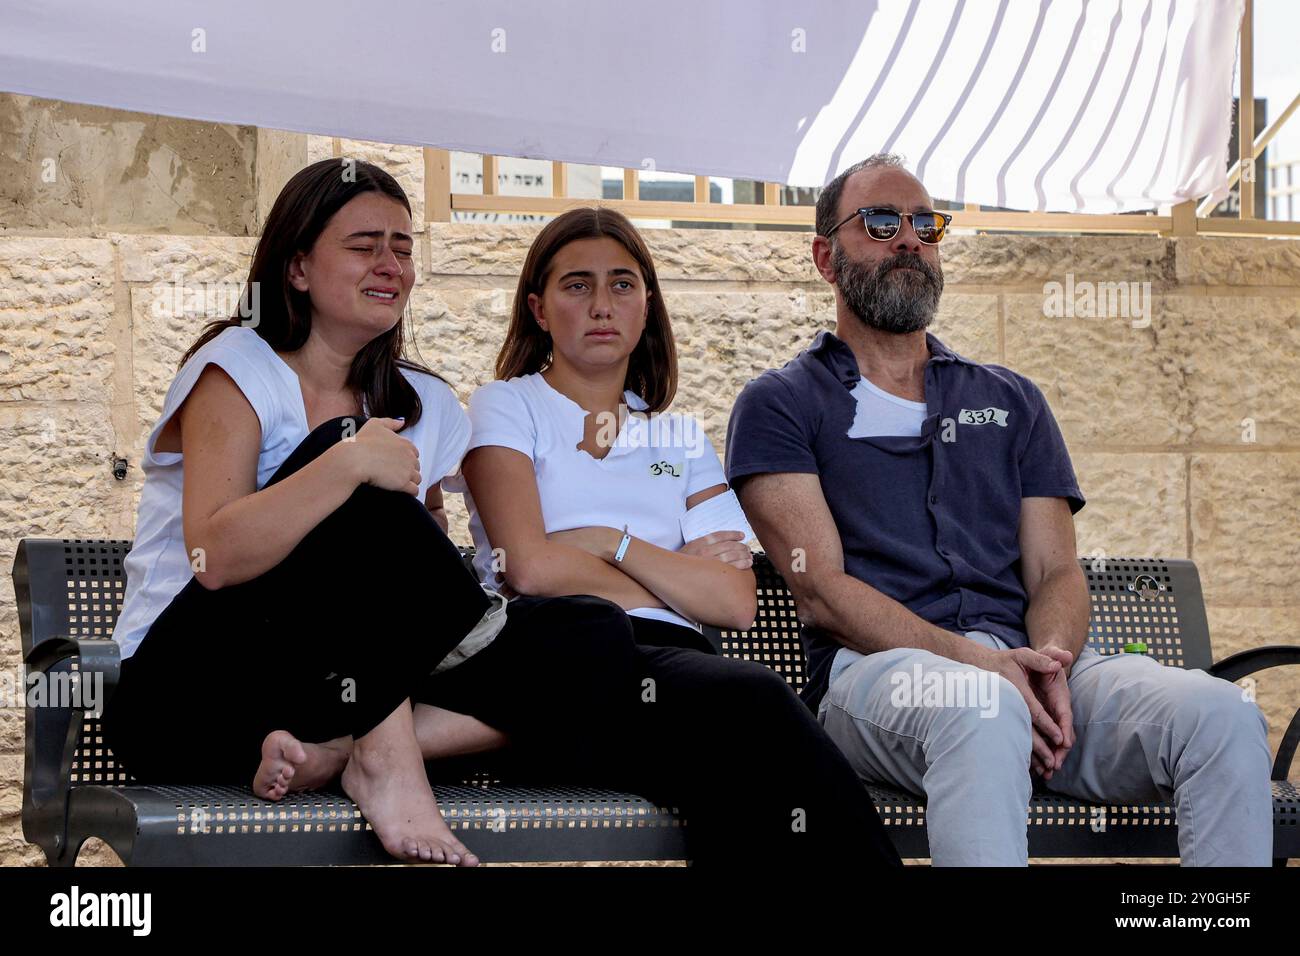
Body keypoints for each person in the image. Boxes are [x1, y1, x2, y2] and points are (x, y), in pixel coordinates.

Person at [725, 153, 1274, 866]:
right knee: (982, 710)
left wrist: (1048, 665)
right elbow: (822, 590)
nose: (910, 241)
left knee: (1223, 715)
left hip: (1036, 672)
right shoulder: (782, 404)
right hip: (881, 674)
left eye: (927, 225)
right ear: (826, 257)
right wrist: (979, 666)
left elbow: (1054, 571)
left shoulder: (1011, 400)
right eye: (882, 222)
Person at [101, 159, 636, 866]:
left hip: (307, 713)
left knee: (596, 633)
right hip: (187, 693)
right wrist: (346, 465)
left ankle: (346, 751)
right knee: (348, 452)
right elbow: (215, 558)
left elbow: (409, 571)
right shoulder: (238, 365)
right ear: (297, 267)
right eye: (364, 246)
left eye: (404, 247)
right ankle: (387, 763)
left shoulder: (429, 403)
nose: (391, 265)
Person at [428, 205, 902, 867]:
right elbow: (530, 567)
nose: (601, 304)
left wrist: (607, 542)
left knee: (739, 770)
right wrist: (676, 574)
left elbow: (735, 602)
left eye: (622, 284)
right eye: (576, 285)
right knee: (756, 706)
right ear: (539, 308)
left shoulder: (679, 437)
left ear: (646, 305)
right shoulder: (506, 406)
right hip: (560, 673)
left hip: (679, 678)